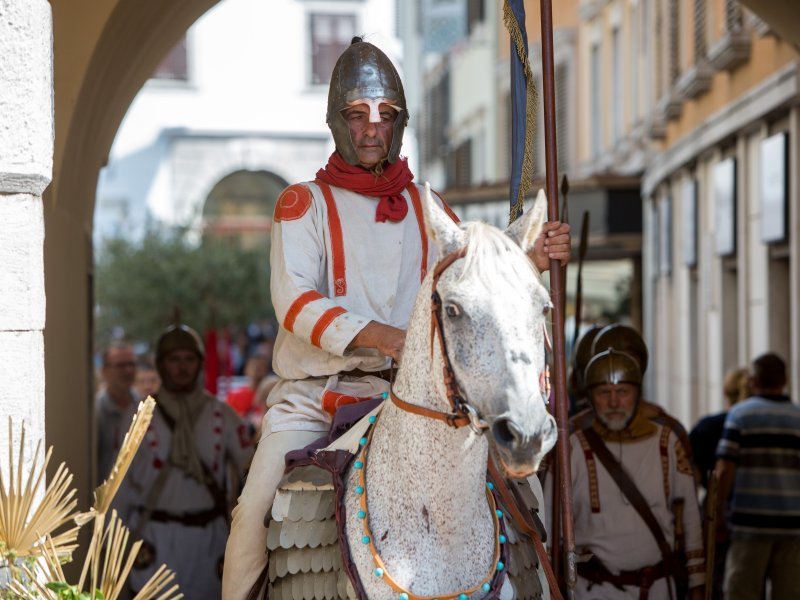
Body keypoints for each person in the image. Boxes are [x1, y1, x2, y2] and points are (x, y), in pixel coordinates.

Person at [221, 37, 572, 599]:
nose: (370, 128)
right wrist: (391, 339)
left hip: (418, 398)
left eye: (385, 116)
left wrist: (531, 258)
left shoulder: (429, 209)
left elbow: (475, 278)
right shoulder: (302, 204)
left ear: (401, 124)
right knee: (249, 520)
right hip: (317, 398)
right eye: (357, 115)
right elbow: (294, 300)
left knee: (528, 506)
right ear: (337, 120)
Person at [545, 349, 705, 599]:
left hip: (658, 590)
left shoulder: (666, 443)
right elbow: (551, 523)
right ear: (590, 397)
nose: (614, 402)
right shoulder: (570, 449)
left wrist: (697, 581)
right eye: (604, 393)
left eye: (623, 392)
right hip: (593, 592)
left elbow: (691, 517)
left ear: (637, 394)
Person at [115, 324, 254, 599]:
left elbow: (250, 471)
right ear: (161, 364)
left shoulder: (222, 415)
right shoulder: (137, 415)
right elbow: (121, 486)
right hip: (156, 538)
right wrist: (112, 545)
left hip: (209, 540)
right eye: (174, 359)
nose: (182, 367)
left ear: (200, 363)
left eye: (189, 359)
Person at [714, 353, 800, 600]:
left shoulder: (740, 415)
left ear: (754, 381)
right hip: (792, 525)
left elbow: (724, 469)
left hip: (749, 524)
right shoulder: (798, 417)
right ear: (785, 380)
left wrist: (718, 512)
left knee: (741, 591)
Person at [96, 341, 140, 480]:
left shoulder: (145, 410)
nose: (128, 371)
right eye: (121, 366)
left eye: (131, 364)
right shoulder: (94, 413)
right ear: (104, 371)